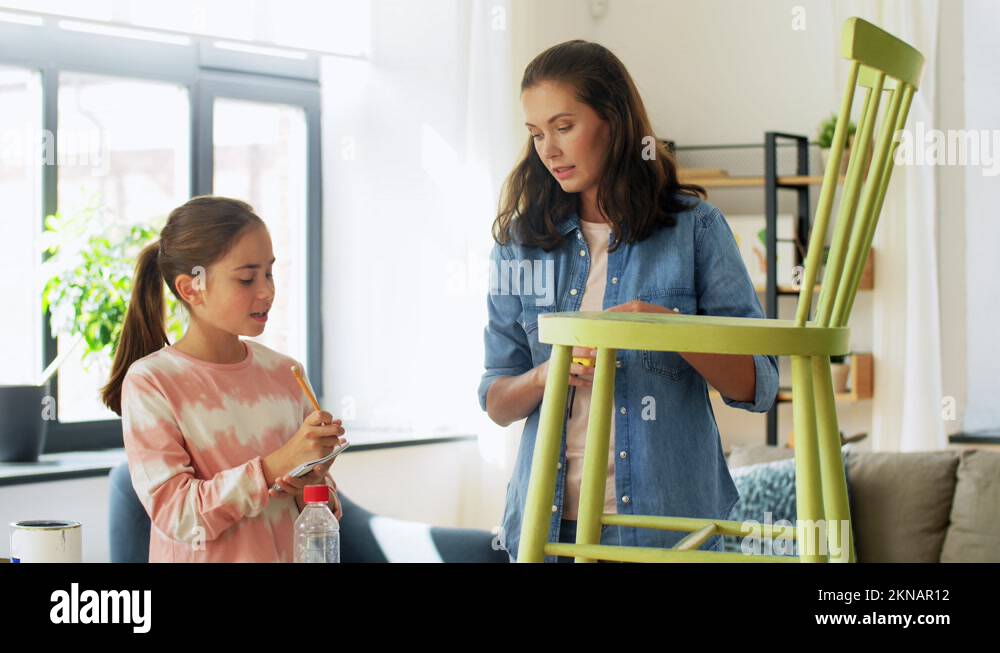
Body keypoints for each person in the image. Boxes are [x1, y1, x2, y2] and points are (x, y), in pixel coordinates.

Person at [478, 41, 779, 563]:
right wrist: (544, 377)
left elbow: (759, 383)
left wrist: (669, 327)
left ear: (613, 120)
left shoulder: (694, 229)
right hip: (547, 529)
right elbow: (496, 398)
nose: (547, 149)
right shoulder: (519, 245)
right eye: (535, 133)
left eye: (563, 126)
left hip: (669, 528)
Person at [102, 196, 345, 562]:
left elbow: (315, 515)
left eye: (269, 272)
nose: (266, 290)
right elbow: (179, 515)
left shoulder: (286, 373)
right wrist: (275, 465)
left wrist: (311, 483)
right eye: (247, 278)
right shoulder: (152, 382)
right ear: (190, 288)